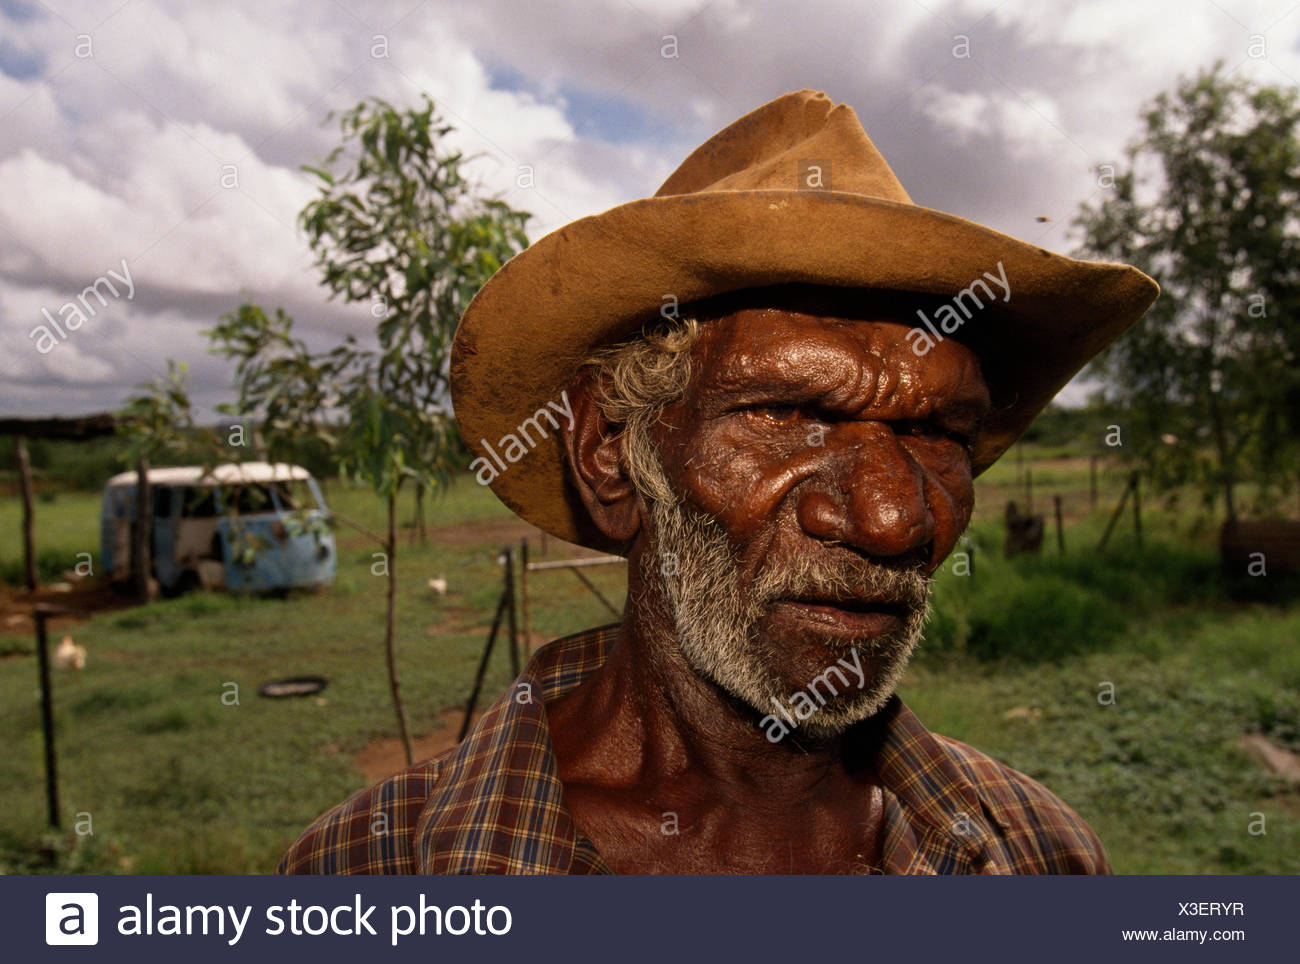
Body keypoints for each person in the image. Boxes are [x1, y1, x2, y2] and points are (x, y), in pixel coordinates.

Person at [278, 89, 1157, 875]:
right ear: (610, 454)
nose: (893, 519)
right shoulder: (369, 875)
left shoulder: (1042, 857)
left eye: (935, 432)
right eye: (786, 415)